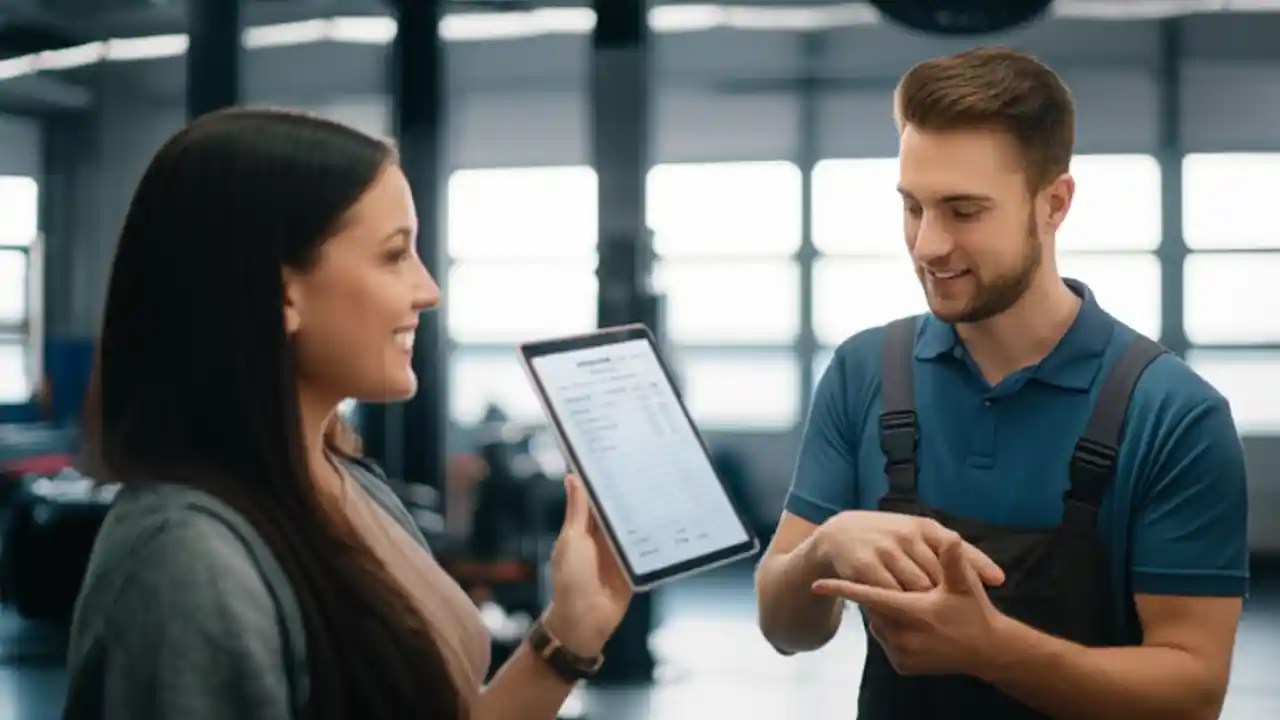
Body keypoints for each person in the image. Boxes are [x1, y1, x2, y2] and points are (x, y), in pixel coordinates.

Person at [62, 107, 632, 720]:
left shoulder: (347, 483)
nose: (428, 290)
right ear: (284, 293)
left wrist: (568, 637)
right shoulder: (187, 566)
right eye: (394, 255)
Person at [755, 46, 1248, 720]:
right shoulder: (864, 372)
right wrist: (825, 547)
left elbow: (1191, 696)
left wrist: (989, 648)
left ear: (1054, 204)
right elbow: (787, 630)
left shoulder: (1174, 415)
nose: (928, 245)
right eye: (913, 207)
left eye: (964, 211)